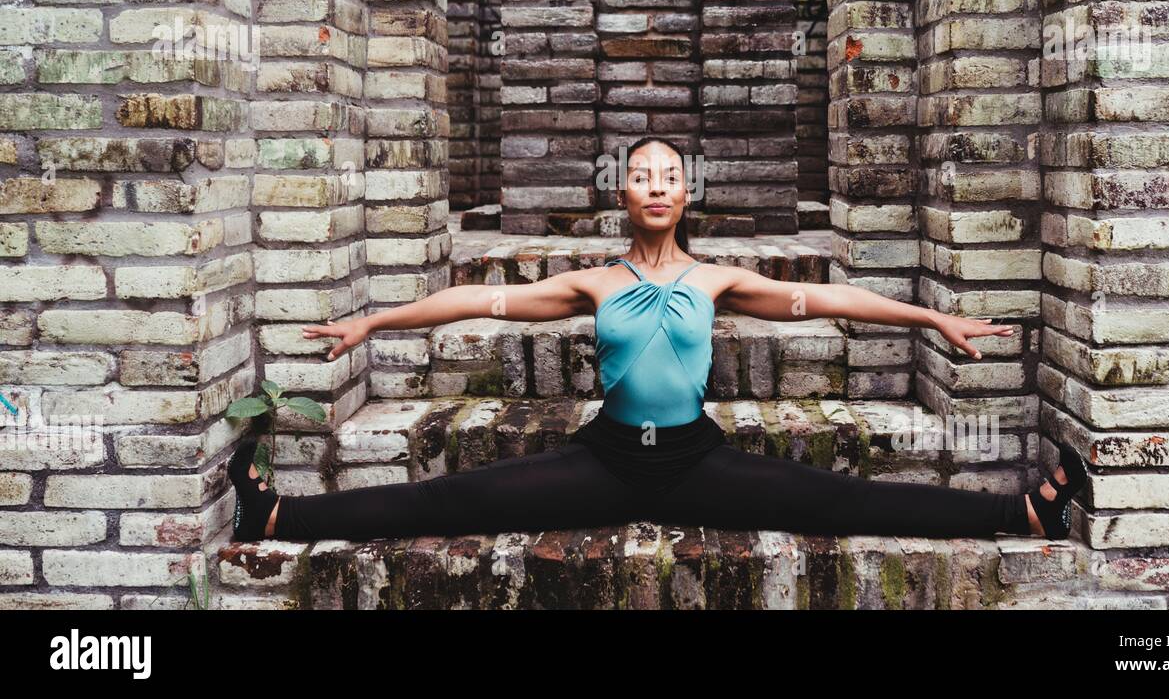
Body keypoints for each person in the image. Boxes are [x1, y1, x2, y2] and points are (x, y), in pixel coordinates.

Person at [227, 136, 1085, 545]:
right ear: (624, 194)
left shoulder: (718, 279)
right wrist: (374, 319)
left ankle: (1022, 512)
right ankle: (276, 514)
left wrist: (931, 317)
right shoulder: (591, 283)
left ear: (687, 193)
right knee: (448, 501)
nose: (655, 185)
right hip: (605, 459)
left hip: (694, 458)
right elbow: (476, 301)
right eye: (642, 175)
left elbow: (824, 297)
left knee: (841, 500)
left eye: (668, 175)